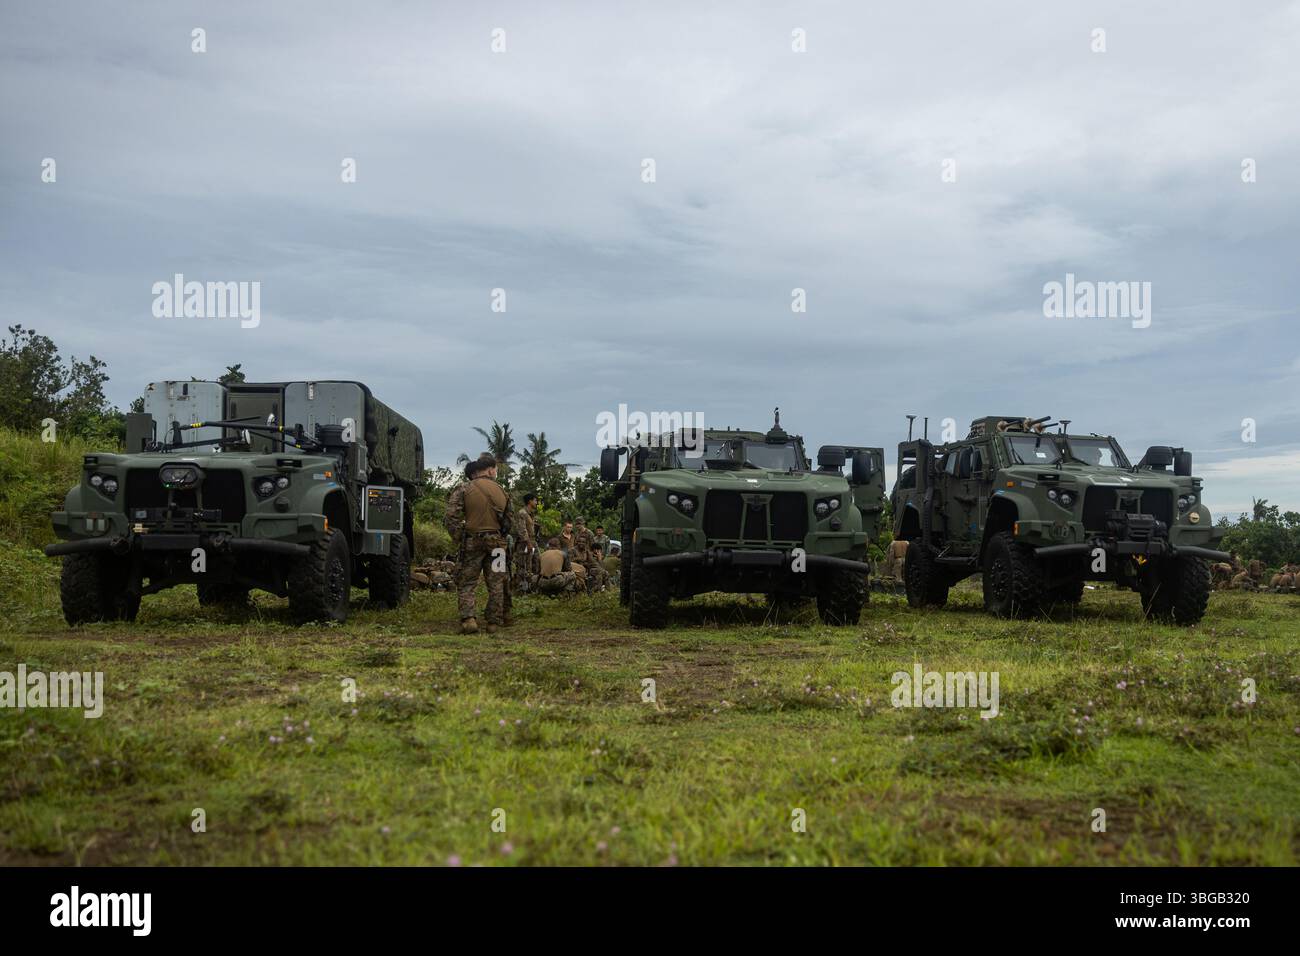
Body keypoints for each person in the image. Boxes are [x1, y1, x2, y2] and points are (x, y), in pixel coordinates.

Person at [444, 454, 513, 633]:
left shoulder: (464, 488)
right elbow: (509, 521)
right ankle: (493, 623)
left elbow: (451, 516)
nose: (496, 473)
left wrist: (459, 536)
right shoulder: (503, 491)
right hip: (497, 544)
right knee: (497, 582)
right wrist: (499, 536)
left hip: (473, 541)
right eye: (496, 470)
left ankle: (469, 620)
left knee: (467, 582)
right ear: (490, 470)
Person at [572, 516, 609, 592]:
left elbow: (593, 546)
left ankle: (600, 589)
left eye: (579, 524)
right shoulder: (576, 534)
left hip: (588, 556)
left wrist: (592, 556)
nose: (578, 526)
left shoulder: (589, 533)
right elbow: (575, 545)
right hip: (578, 555)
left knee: (599, 570)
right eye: (577, 524)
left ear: (583, 524)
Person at [514, 493, 539, 593]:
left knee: (533, 563)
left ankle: (530, 587)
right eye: (535, 500)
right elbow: (522, 530)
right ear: (530, 501)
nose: (536, 503)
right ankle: (522, 590)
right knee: (523, 565)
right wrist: (528, 543)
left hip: (532, 542)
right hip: (524, 543)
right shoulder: (522, 513)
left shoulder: (531, 514)